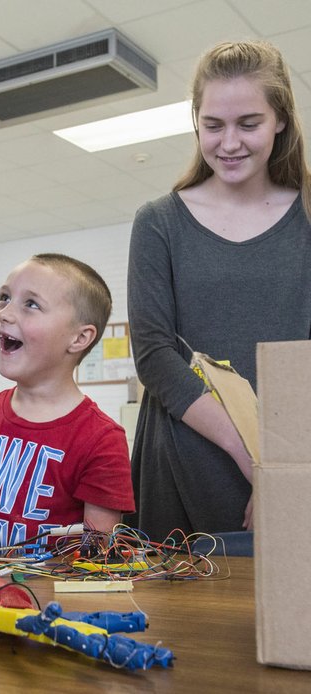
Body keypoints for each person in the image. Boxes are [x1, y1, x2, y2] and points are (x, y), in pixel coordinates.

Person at [126, 40, 311, 542]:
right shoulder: (160, 222)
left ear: (280, 120)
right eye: (213, 125)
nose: (229, 142)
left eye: (248, 123)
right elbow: (154, 355)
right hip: (181, 463)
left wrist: (281, 467)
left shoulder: (307, 221)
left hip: (289, 459)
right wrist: (252, 456)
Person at [0, 254, 135, 550]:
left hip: (49, 594)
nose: (5, 313)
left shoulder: (102, 438)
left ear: (79, 338)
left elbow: (97, 556)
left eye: (31, 304)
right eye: (4, 297)